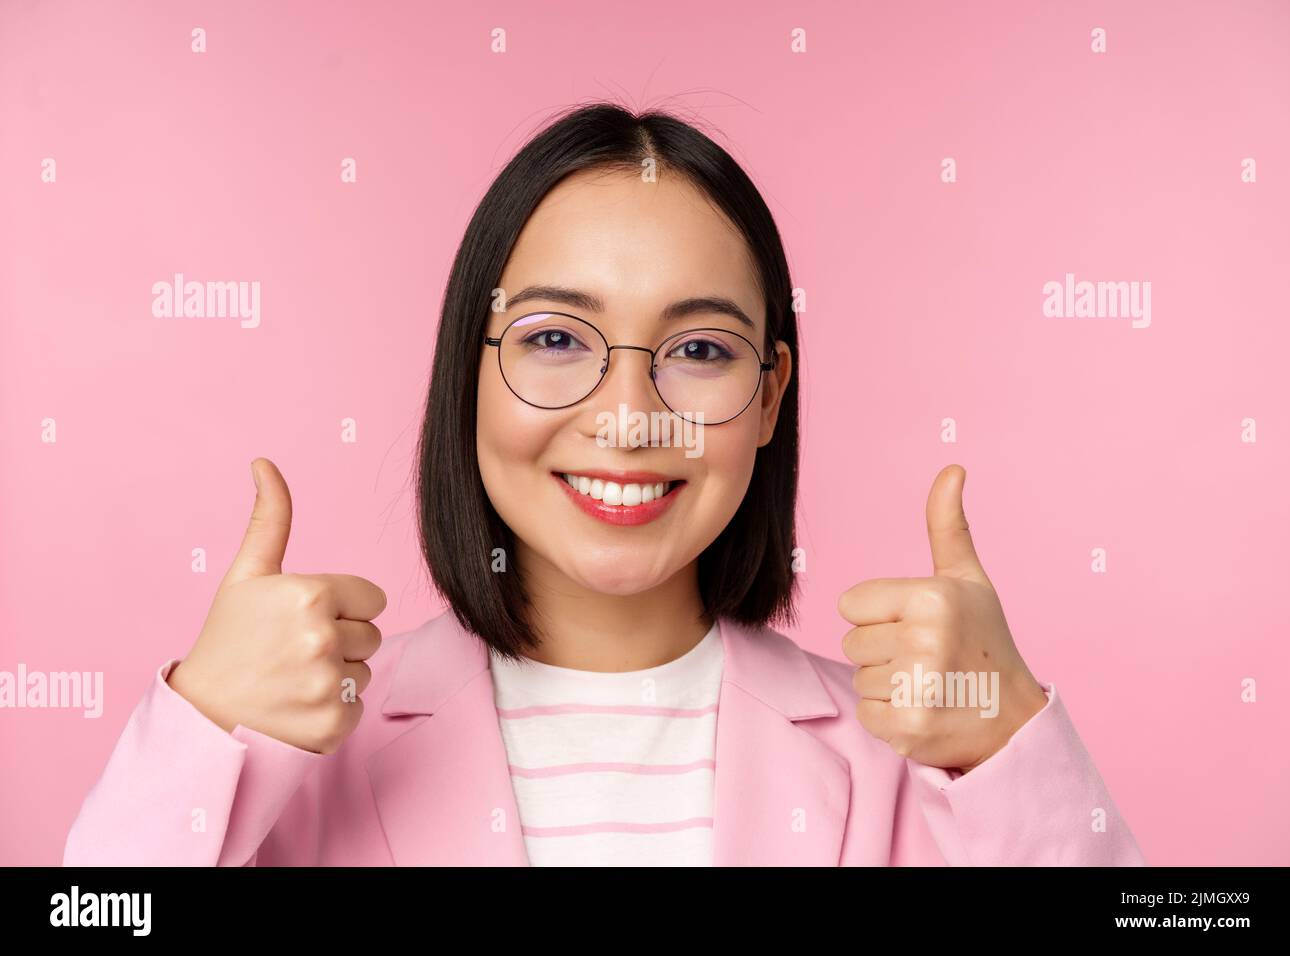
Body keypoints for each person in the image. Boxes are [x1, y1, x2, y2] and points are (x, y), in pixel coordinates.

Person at [63, 103, 1143, 866]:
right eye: (553, 337)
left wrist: (1009, 740)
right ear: (467, 372)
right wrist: (202, 726)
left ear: (770, 397)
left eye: (702, 351)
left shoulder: (916, 755)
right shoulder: (299, 746)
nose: (627, 415)